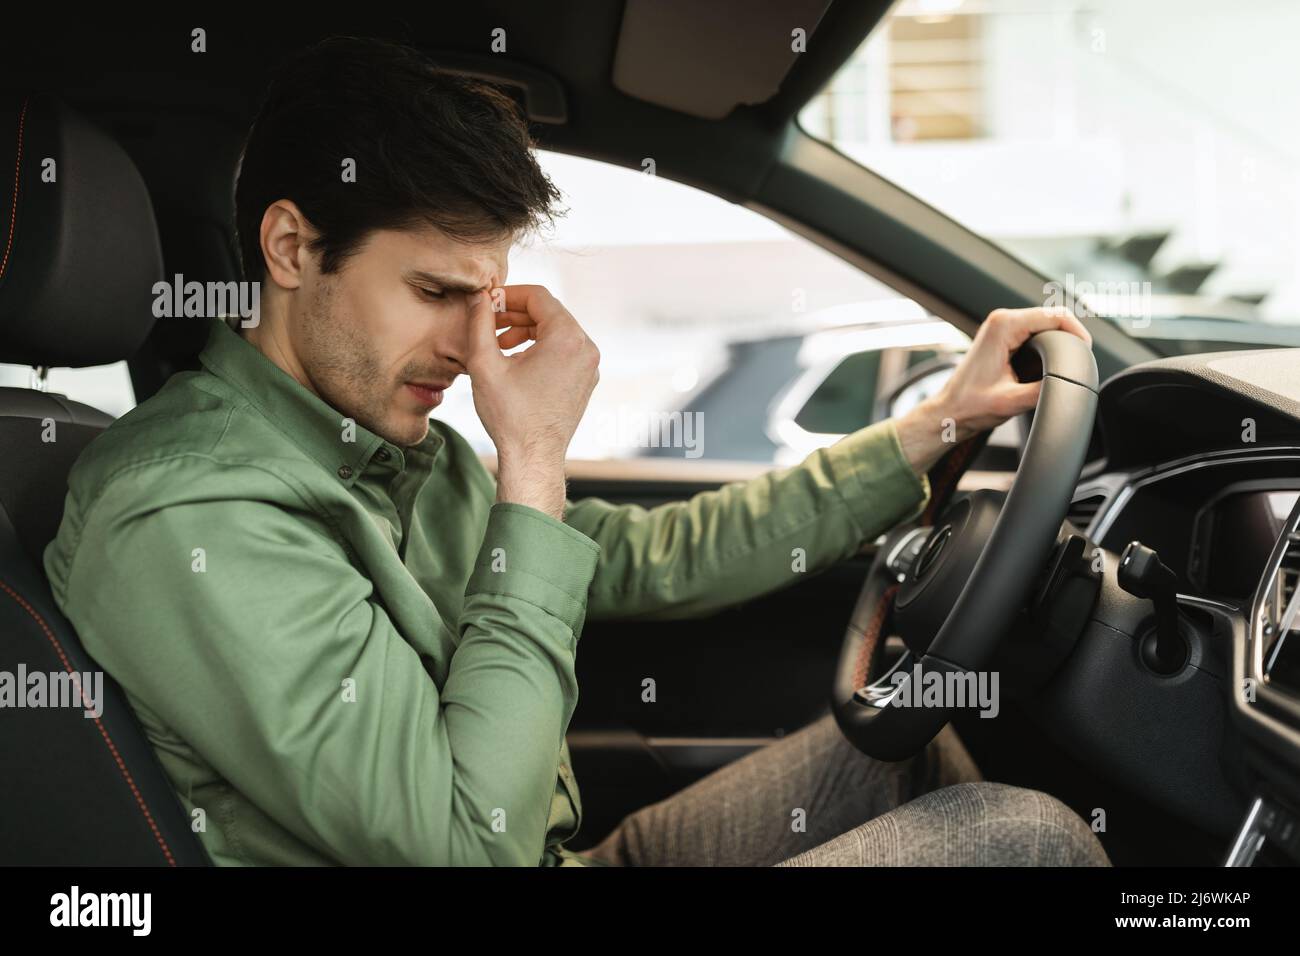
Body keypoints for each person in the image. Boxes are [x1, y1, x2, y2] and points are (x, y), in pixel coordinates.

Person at [44, 36, 1107, 866]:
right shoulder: (193, 513)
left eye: (486, 297)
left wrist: (926, 430)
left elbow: (644, 554)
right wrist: (533, 466)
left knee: (910, 737)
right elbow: (468, 842)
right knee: (1020, 840)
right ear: (291, 248)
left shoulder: (379, 446)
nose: (469, 348)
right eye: (433, 293)